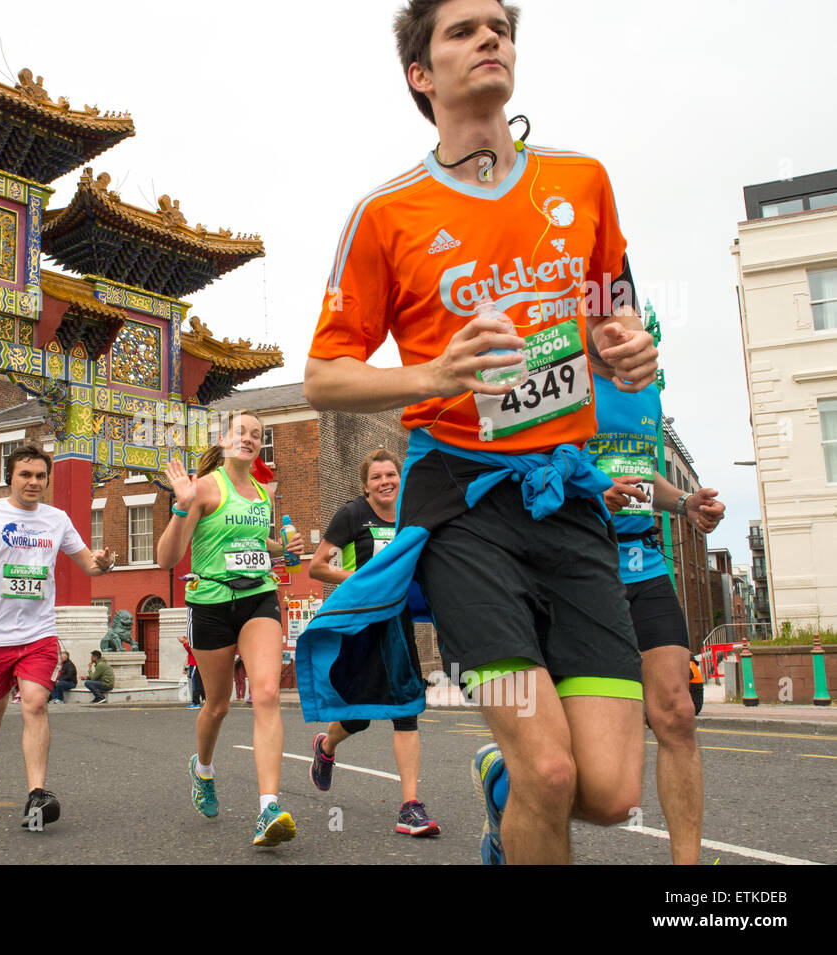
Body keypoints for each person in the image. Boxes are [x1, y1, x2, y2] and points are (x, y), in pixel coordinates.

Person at [301, 0, 659, 865]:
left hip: (567, 497)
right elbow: (323, 375)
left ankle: (499, 782)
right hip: (460, 503)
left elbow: (615, 319)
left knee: (607, 792)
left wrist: (627, 350)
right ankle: (525, 777)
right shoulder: (387, 213)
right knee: (553, 766)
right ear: (421, 75)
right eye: (462, 30)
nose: (489, 36)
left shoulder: (583, 181)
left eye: (499, 25)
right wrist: (431, 376)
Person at [0, 443, 114, 830]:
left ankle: (37, 793)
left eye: (40, 476)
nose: (33, 482)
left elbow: (89, 566)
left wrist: (103, 565)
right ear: (10, 478)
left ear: (47, 480)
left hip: (38, 633)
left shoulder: (56, 519)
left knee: (35, 703)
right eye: (26, 475)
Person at [588, 360, 724, 863]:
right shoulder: (560, 373)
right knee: (580, 759)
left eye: (628, 310)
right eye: (605, 309)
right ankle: (510, 790)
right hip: (580, 568)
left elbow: (644, 476)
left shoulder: (646, 390)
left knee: (678, 715)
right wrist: (588, 490)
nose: (620, 326)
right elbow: (532, 467)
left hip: (644, 568)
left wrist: (684, 502)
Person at [158, 410, 305, 848]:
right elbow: (168, 558)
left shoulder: (262, 493)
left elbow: (258, 546)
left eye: (257, 435)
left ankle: (268, 808)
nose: (249, 438)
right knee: (218, 705)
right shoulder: (203, 488)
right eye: (240, 431)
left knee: (265, 693)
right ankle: (203, 768)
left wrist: (286, 550)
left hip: (259, 598)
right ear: (223, 440)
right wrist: (182, 507)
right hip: (211, 604)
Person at [307, 449, 439, 837]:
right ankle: (326, 746)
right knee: (359, 714)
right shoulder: (351, 516)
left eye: (391, 475)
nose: (385, 482)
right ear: (365, 485)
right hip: (359, 624)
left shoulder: (411, 516)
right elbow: (318, 566)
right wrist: (362, 581)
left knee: (406, 707)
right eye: (377, 477)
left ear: (401, 479)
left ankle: (410, 807)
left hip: (396, 625)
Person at [179, 635, 204, 708]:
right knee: (198, 683)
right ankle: (202, 698)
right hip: (195, 664)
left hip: (195, 664)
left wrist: (184, 642)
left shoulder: (195, 644)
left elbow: (190, 651)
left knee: (195, 684)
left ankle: (196, 703)